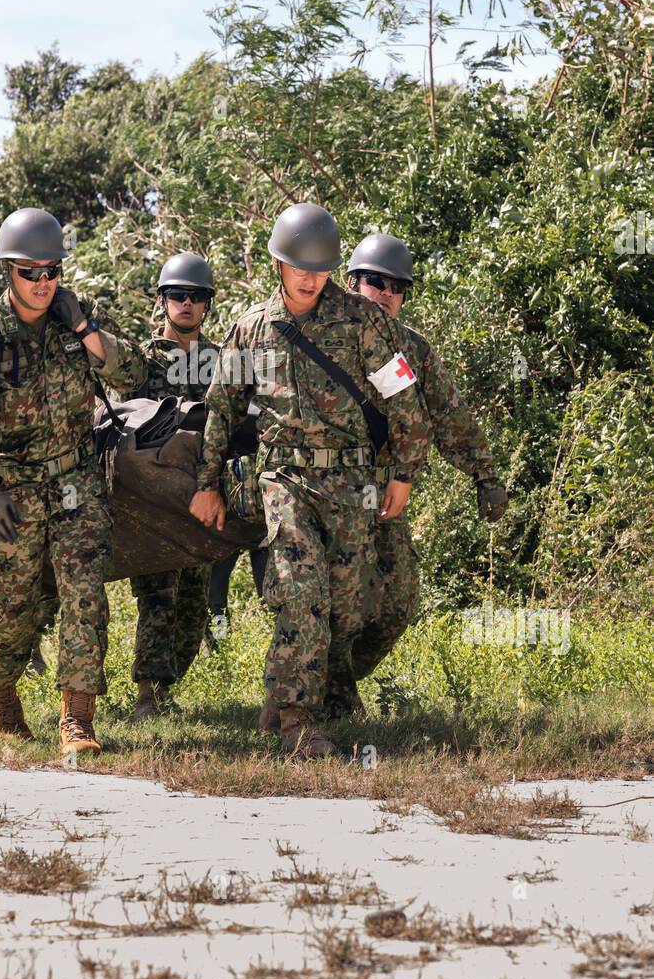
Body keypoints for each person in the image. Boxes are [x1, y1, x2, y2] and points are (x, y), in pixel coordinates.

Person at [189, 202, 430, 757]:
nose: (309, 277)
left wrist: (403, 475)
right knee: (300, 591)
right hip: (284, 478)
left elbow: (403, 400)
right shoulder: (252, 329)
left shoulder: (364, 322)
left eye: (320, 268)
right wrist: (207, 483)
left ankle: (282, 701)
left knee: (346, 608)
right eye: (299, 265)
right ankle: (299, 721)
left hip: (350, 485)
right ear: (278, 263)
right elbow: (222, 410)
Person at [0, 207, 144, 754]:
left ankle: (77, 717)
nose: (42, 283)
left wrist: (84, 326)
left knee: (85, 594)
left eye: (51, 270)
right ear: (7, 271)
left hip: (76, 478)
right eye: (29, 272)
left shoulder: (78, 316)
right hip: (12, 487)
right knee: (13, 606)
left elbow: (131, 374)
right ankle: (2, 693)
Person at [326, 232, 507, 712]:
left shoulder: (414, 350)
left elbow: (451, 418)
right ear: (351, 281)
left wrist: (485, 476)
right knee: (341, 603)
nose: (386, 293)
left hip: (384, 495)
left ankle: (329, 682)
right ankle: (330, 696)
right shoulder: (323, 336)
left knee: (399, 602)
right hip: (322, 493)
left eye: (397, 286)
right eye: (376, 282)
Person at [123, 252, 220, 717]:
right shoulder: (142, 361)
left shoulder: (220, 361)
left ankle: (165, 689)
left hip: (204, 495)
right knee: (158, 596)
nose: (187, 303)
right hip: (154, 496)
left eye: (196, 296)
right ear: (162, 301)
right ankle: (148, 696)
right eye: (178, 295)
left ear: (206, 304)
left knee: (195, 606)